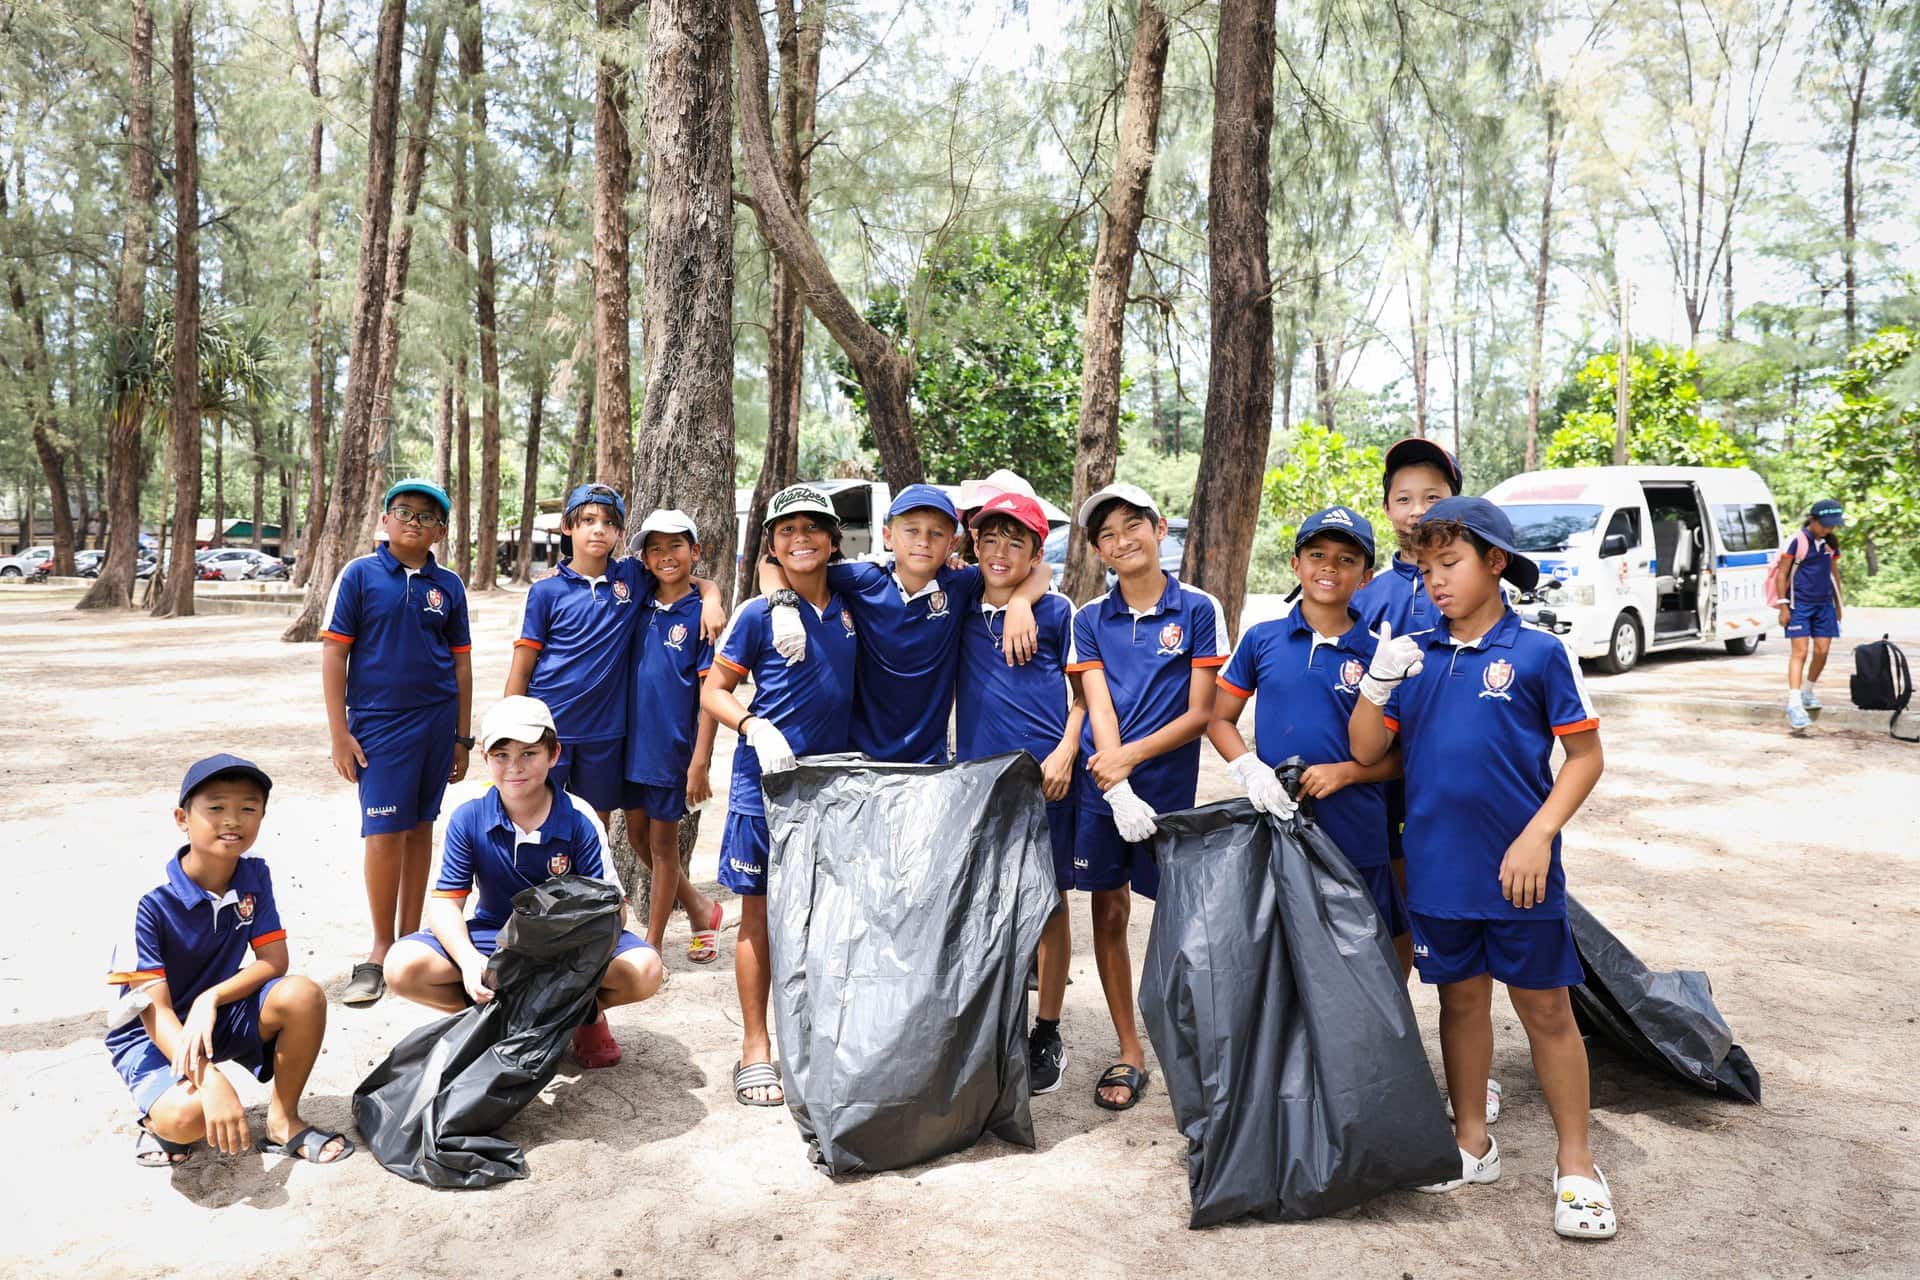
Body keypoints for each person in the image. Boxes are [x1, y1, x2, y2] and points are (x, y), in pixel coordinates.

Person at [1348, 496, 1616, 1241]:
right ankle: (1473, 1141)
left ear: (1495, 563)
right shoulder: (1418, 654)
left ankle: (1577, 1165)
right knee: (1460, 1006)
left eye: (1451, 563)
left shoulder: (1536, 653)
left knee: (1546, 1013)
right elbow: (1369, 751)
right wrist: (1377, 681)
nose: (1435, 581)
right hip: (1435, 875)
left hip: (1519, 876)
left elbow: (1585, 757)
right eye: (1425, 567)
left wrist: (1538, 837)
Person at [1349, 438, 1503, 1124]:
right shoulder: (1370, 591)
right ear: (1386, 511)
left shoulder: (1472, 586)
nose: (1416, 511)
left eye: (1432, 498)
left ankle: (1475, 1078)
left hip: (1448, 791)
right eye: (1402, 499)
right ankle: (1396, 1051)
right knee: (1392, 923)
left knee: (1461, 928)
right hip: (1376, 783)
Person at [383, 696, 664, 1069]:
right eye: (501, 755)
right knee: (401, 965)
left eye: (529, 753)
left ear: (554, 753)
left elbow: (616, 913)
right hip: (495, 937)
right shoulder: (468, 817)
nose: (514, 767)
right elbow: (445, 902)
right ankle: (498, 1017)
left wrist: (566, 959)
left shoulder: (580, 819)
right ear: (485, 757)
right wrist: (469, 962)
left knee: (645, 969)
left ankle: (585, 1014)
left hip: (571, 948)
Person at [1067, 482, 1229, 1111]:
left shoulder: (1197, 609)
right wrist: (1114, 782)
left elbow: (1200, 713)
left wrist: (1130, 763)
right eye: (1107, 534)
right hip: (1106, 793)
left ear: (1160, 529)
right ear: (1099, 552)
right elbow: (1097, 704)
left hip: (1167, 795)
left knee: (1177, 923)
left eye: (1133, 525)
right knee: (1108, 915)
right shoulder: (1088, 619)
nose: (1122, 540)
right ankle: (1130, 1049)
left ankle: (1183, 1040)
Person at [107, 755, 353, 1167]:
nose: (232, 820)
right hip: (153, 1035)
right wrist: (208, 1077)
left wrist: (211, 998)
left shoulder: (253, 876)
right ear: (182, 818)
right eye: (216, 807)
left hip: (215, 1018)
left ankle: (283, 1121)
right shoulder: (148, 897)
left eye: (248, 808)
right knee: (189, 1117)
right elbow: (154, 1012)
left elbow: (274, 960)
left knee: (303, 995)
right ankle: (157, 1123)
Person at [506, 485, 723, 949]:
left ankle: (586, 930)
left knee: (593, 833)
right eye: (586, 521)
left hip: (610, 740)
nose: (598, 530)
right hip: (548, 734)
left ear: (622, 534)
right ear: (568, 528)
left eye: (607, 523)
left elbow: (689, 579)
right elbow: (521, 667)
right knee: (532, 826)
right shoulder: (547, 592)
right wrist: (506, 732)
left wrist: (712, 595)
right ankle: (531, 925)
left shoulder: (634, 580)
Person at [702, 484, 859, 1106]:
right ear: (772, 542)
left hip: (834, 788)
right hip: (762, 787)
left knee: (829, 919)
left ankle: (821, 1038)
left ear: (833, 540)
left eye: (814, 528)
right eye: (787, 530)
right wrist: (751, 723)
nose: (802, 539)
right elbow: (714, 690)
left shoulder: (852, 599)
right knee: (759, 919)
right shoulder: (757, 615)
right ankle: (755, 1046)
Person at [1208, 506, 1411, 971]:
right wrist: (1251, 770)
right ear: (1295, 564)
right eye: (1317, 554)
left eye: (1346, 559)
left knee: (1374, 940)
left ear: (1366, 577)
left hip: (1358, 829)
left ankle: (1378, 1038)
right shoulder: (1262, 639)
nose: (1329, 567)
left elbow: (1401, 757)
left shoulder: (1381, 654)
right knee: (1287, 950)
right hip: (1281, 826)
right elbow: (1219, 720)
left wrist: (1347, 773)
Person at [760, 483, 1047, 764]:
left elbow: (1041, 570)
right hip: (861, 759)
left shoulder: (961, 583)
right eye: (911, 530)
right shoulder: (863, 580)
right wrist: (781, 602)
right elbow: (774, 564)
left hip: (929, 762)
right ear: (888, 536)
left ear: (953, 544)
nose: (923, 541)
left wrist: (1021, 602)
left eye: (936, 533)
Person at [321, 478, 473, 1007]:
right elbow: (336, 654)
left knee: (418, 831)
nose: (413, 521)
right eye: (402, 511)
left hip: (436, 725)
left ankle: (410, 939)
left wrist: (462, 737)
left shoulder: (449, 586)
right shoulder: (360, 576)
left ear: (441, 531)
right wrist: (340, 732)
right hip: (379, 725)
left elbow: (460, 662)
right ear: (384, 521)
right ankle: (380, 946)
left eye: (426, 516)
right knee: (383, 833)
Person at [953, 492, 1084, 1094]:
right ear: (974, 545)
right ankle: (998, 1024)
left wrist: (1066, 750)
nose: (1000, 552)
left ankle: (1048, 1028)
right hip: (980, 782)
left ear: (1036, 551)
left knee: (1048, 902)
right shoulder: (957, 601)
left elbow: (1084, 693)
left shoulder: (1057, 612)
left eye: (1017, 542)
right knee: (988, 903)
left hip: (1047, 778)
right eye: (990, 540)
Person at [623, 508, 725, 962]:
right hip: (629, 747)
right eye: (655, 548)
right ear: (645, 559)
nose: (665, 556)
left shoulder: (700, 616)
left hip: (671, 750)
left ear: (695, 551)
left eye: (676, 546)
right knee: (636, 839)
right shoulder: (637, 601)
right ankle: (702, 909)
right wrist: (712, 590)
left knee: (663, 847)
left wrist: (699, 761)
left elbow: (710, 694)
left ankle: (655, 942)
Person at [1775, 498, 1846, 731]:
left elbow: (1834, 576)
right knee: (1800, 652)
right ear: (1812, 520)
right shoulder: (1796, 541)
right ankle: (1794, 703)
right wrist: (1783, 606)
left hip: (1824, 604)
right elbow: (1781, 574)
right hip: (1799, 605)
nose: (1830, 529)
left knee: (1823, 651)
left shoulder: (1830, 544)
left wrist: (1838, 605)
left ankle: (1807, 691)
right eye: (1826, 524)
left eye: (1833, 525)